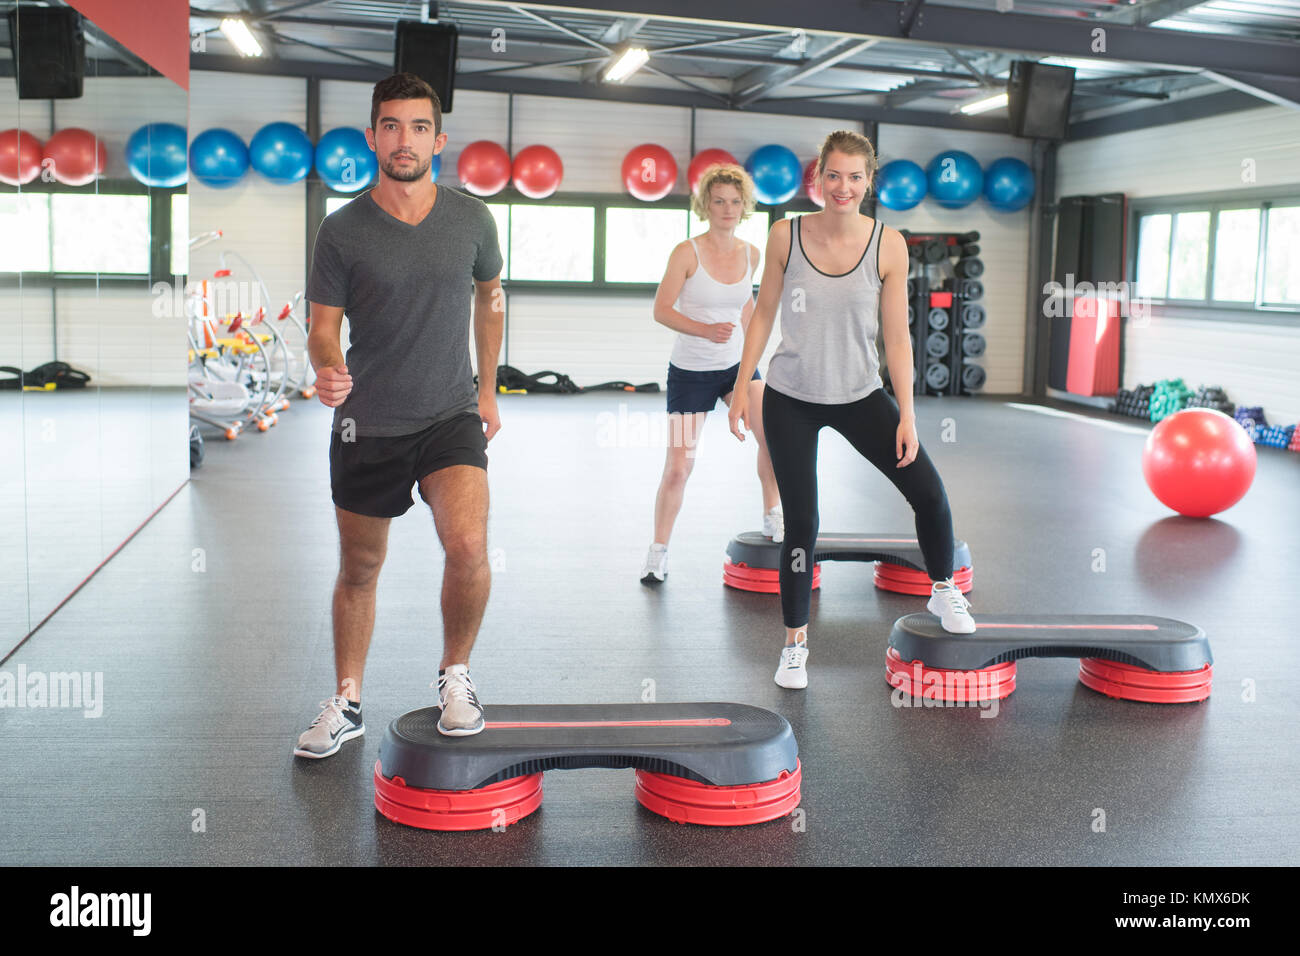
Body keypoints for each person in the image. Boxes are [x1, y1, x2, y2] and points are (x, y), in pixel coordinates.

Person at [294, 72, 504, 756]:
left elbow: (491, 298)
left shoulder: (473, 218)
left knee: (469, 545)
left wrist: (489, 388)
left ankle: (456, 675)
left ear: (437, 140)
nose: (403, 139)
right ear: (372, 136)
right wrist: (328, 364)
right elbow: (322, 326)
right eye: (391, 125)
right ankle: (347, 700)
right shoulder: (343, 230)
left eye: (417, 127)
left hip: (449, 414)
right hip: (368, 421)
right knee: (360, 566)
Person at [727, 129, 975, 690]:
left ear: (869, 182)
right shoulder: (784, 236)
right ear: (818, 178)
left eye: (855, 176)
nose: (843, 186)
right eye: (833, 175)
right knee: (802, 524)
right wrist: (745, 385)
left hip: (862, 394)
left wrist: (907, 413)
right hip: (793, 395)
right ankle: (794, 644)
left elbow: (897, 334)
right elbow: (763, 312)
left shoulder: (889, 243)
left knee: (929, 492)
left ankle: (942, 588)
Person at [641, 163, 782, 584]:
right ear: (706, 205)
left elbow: (746, 308)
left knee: (772, 436)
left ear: (744, 207)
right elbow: (661, 310)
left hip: (738, 367)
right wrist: (705, 330)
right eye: (719, 201)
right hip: (690, 375)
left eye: (735, 202)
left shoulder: (751, 254)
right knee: (679, 467)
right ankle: (657, 552)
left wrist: (758, 351)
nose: (727, 208)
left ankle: (773, 514)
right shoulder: (687, 252)